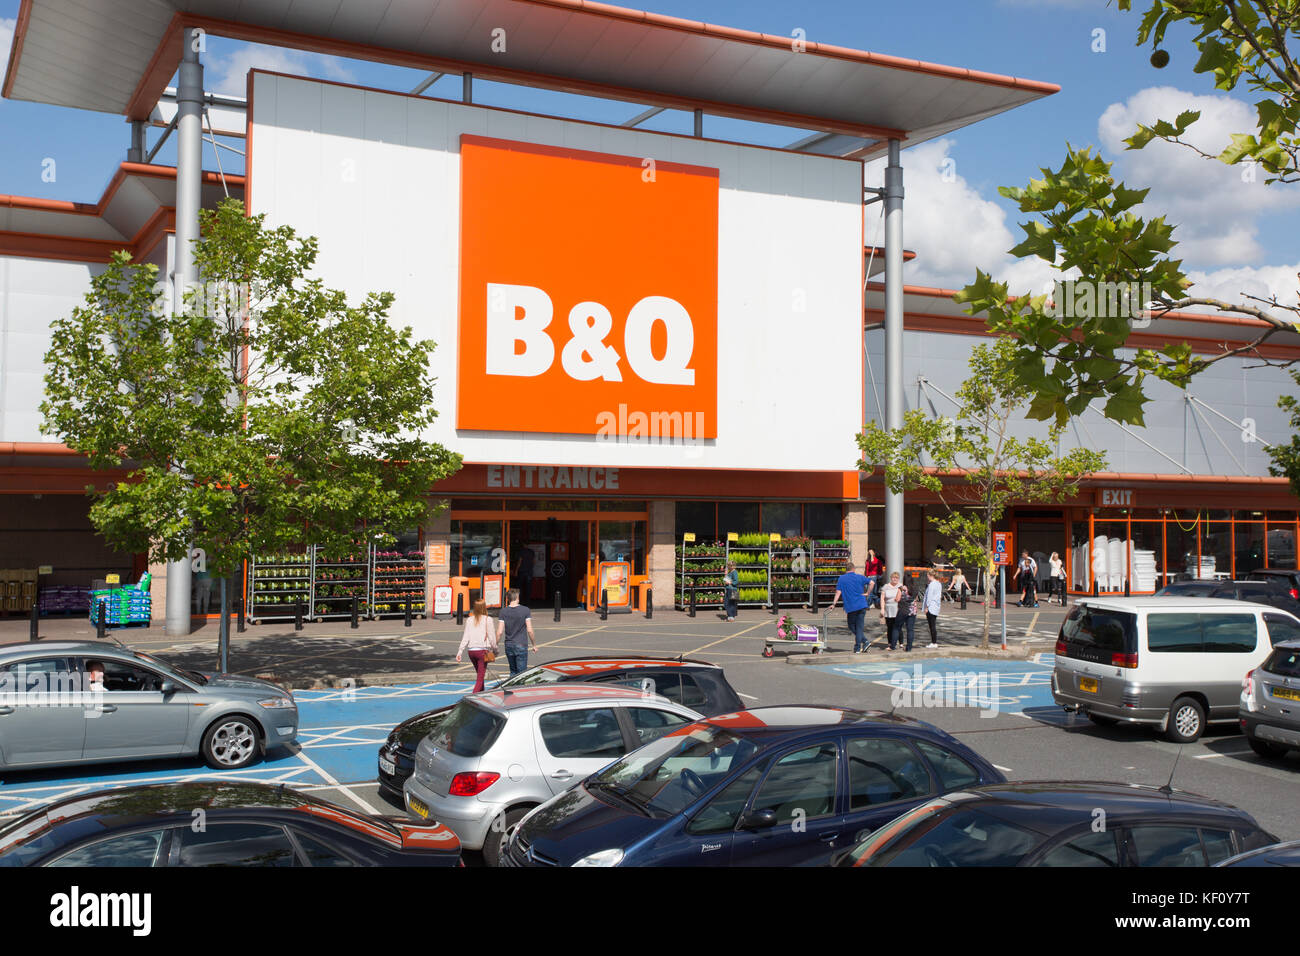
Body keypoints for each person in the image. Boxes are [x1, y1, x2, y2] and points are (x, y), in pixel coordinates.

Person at [829, 561, 872, 654]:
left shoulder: (841, 578)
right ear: (854, 569)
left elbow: (838, 592)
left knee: (852, 625)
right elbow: (872, 582)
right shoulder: (859, 577)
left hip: (851, 606)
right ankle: (864, 642)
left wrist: (833, 604)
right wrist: (868, 593)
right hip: (862, 604)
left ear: (846, 569)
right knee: (858, 627)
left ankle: (858, 647)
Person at [455, 599, 498, 693]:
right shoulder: (488, 619)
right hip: (482, 651)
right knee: (480, 677)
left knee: (479, 674)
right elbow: (492, 638)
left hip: (471, 651)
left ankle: (481, 694)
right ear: (484, 607)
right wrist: (495, 650)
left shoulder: (470, 620)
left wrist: (460, 651)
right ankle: (472, 697)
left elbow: (466, 636)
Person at [496, 588, 537, 677]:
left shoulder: (503, 611)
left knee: (513, 672)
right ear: (517, 597)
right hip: (521, 644)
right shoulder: (525, 610)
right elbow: (530, 630)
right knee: (521, 674)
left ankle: (513, 685)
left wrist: (496, 645)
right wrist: (534, 645)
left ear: (508, 598)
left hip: (509, 645)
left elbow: (499, 632)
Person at [879, 572, 904, 651]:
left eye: (896, 578)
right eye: (893, 577)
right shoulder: (886, 587)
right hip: (888, 609)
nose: (895, 579)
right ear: (891, 578)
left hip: (898, 608)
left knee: (898, 627)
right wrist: (882, 609)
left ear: (898, 579)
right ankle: (890, 643)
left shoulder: (900, 586)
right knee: (890, 627)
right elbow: (882, 599)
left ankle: (901, 643)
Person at [897, 572, 917, 652]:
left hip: (903, 610)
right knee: (910, 629)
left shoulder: (902, 588)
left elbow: (898, 599)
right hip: (912, 611)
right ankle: (909, 647)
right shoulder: (915, 588)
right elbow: (915, 599)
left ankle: (895, 644)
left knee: (898, 627)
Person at [923, 570, 943, 648]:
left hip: (931, 607)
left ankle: (933, 642)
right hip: (936, 606)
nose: (927, 577)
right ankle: (934, 642)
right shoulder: (938, 584)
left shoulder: (931, 585)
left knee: (932, 626)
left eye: (927, 575)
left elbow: (929, 596)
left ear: (930, 575)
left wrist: (926, 607)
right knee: (933, 625)